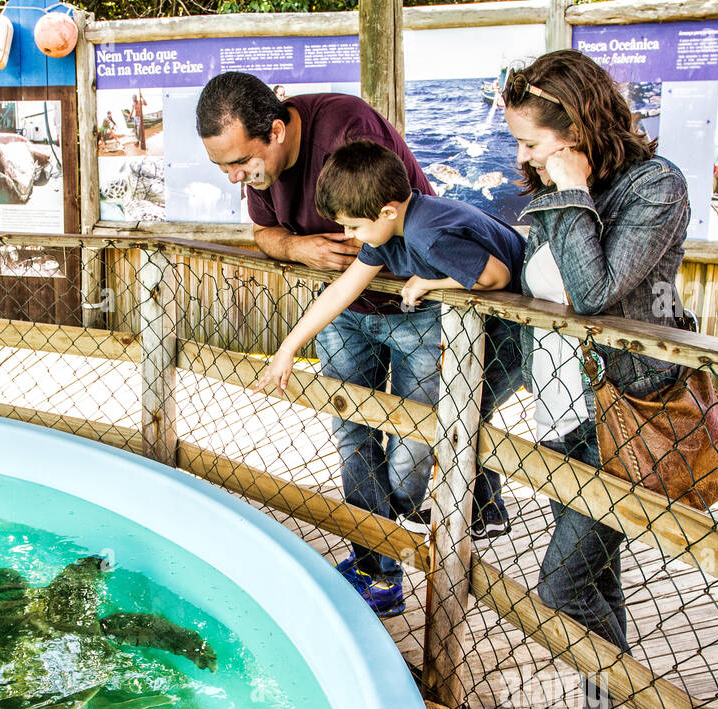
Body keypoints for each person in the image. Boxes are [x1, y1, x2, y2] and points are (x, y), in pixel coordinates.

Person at [196, 72, 518, 617]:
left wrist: (435, 281)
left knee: (413, 451)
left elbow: (490, 271)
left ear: (275, 131)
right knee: (353, 437)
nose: (234, 178)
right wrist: (293, 299)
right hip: (350, 312)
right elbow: (281, 243)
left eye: (241, 163)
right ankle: (379, 568)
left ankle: (435, 507)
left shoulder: (348, 130)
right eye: (220, 167)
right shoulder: (341, 225)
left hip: (421, 317)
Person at [501, 50, 692, 709]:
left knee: (561, 585)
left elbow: (592, 291)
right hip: (558, 414)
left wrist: (574, 190)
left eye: (531, 141)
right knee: (597, 576)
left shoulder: (654, 187)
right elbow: (536, 294)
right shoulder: (554, 188)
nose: (523, 157)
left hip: (623, 414)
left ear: (577, 128)